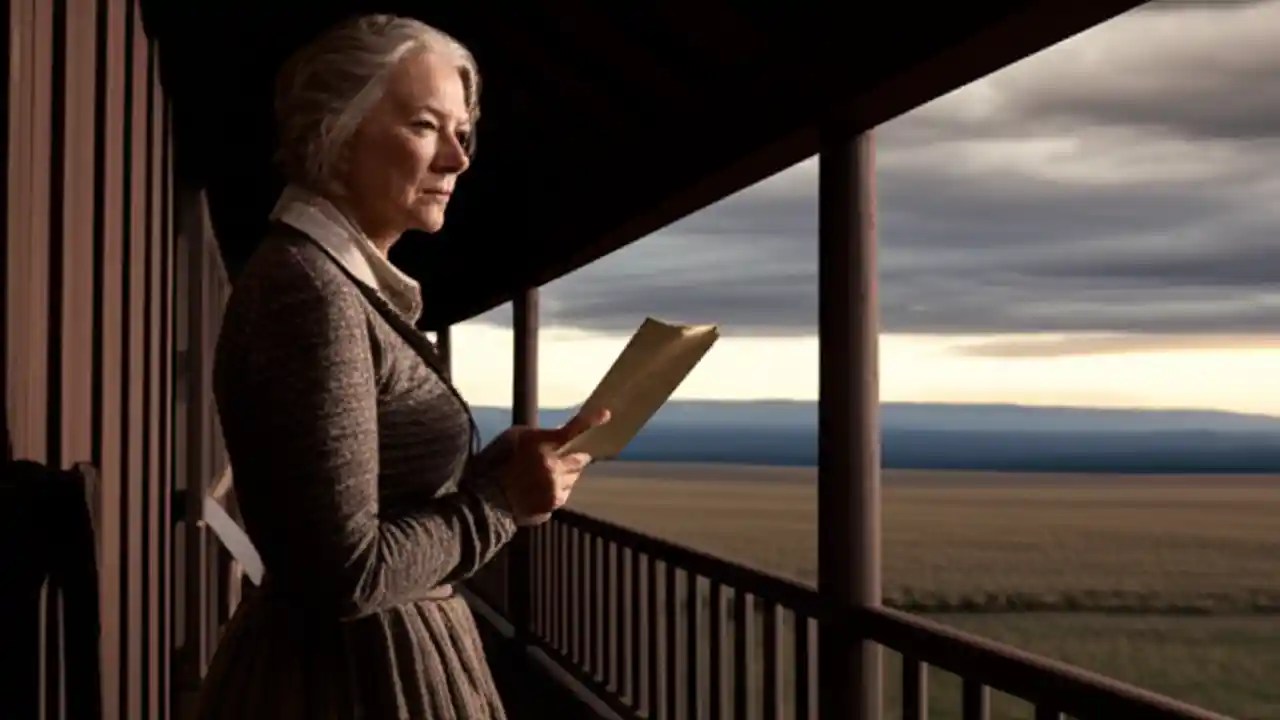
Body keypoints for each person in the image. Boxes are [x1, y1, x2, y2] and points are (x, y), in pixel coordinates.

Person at [197, 14, 607, 720]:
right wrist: (500, 502)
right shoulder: (310, 294)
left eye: (461, 132)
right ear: (337, 132)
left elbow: (365, 507)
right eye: (424, 126)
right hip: (353, 685)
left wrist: (484, 477)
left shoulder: (331, 283)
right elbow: (342, 575)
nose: (457, 159)